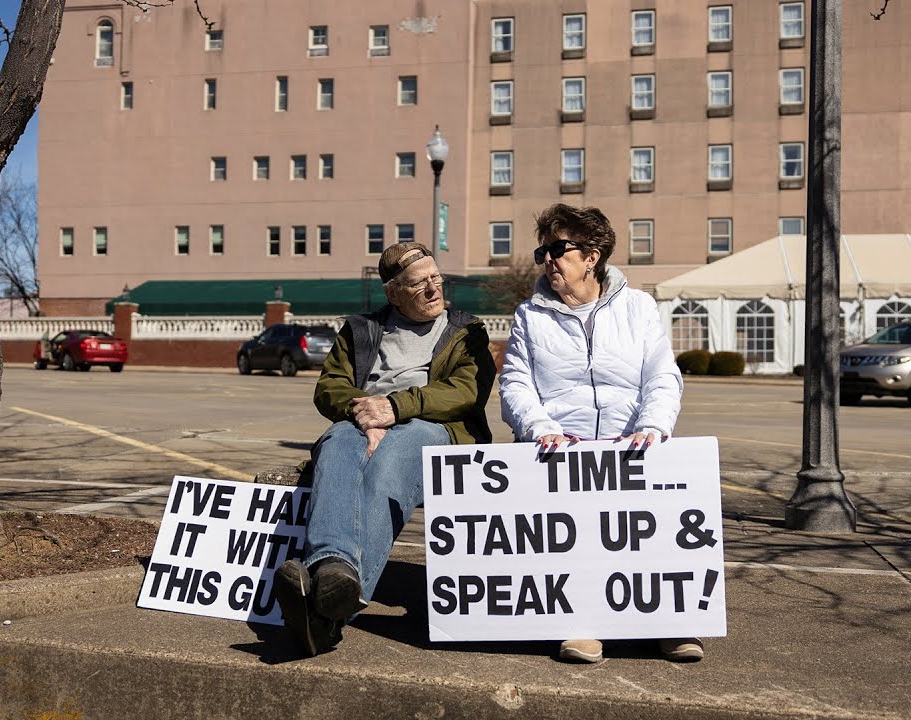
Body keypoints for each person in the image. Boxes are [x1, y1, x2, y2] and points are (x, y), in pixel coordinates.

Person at [275, 241, 497, 656]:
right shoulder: (361, 329)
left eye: (436, 279)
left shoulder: (466, 330)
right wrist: (363, 414)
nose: (433, 290)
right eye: (419, 284)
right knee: (336, 443)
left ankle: (329, 609)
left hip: (435, 428)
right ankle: (332, 568)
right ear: (393, 293)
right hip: (365, 421)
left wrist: (395, 409)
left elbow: (466, 392)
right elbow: (329, 387)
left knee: (397, 451)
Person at [498, 203, 698, 664]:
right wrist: (539, 428)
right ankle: (582, 624)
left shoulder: (639, 308)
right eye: (543, 251)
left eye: (559, 249)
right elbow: (515, 384)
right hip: (559, 452)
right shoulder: (530, 316)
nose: (549, 259)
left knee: (648, 532)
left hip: (626, 448)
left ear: (593, 255)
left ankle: (671, 621)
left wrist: (652, 427)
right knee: (570, 538)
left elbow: (662, 377)